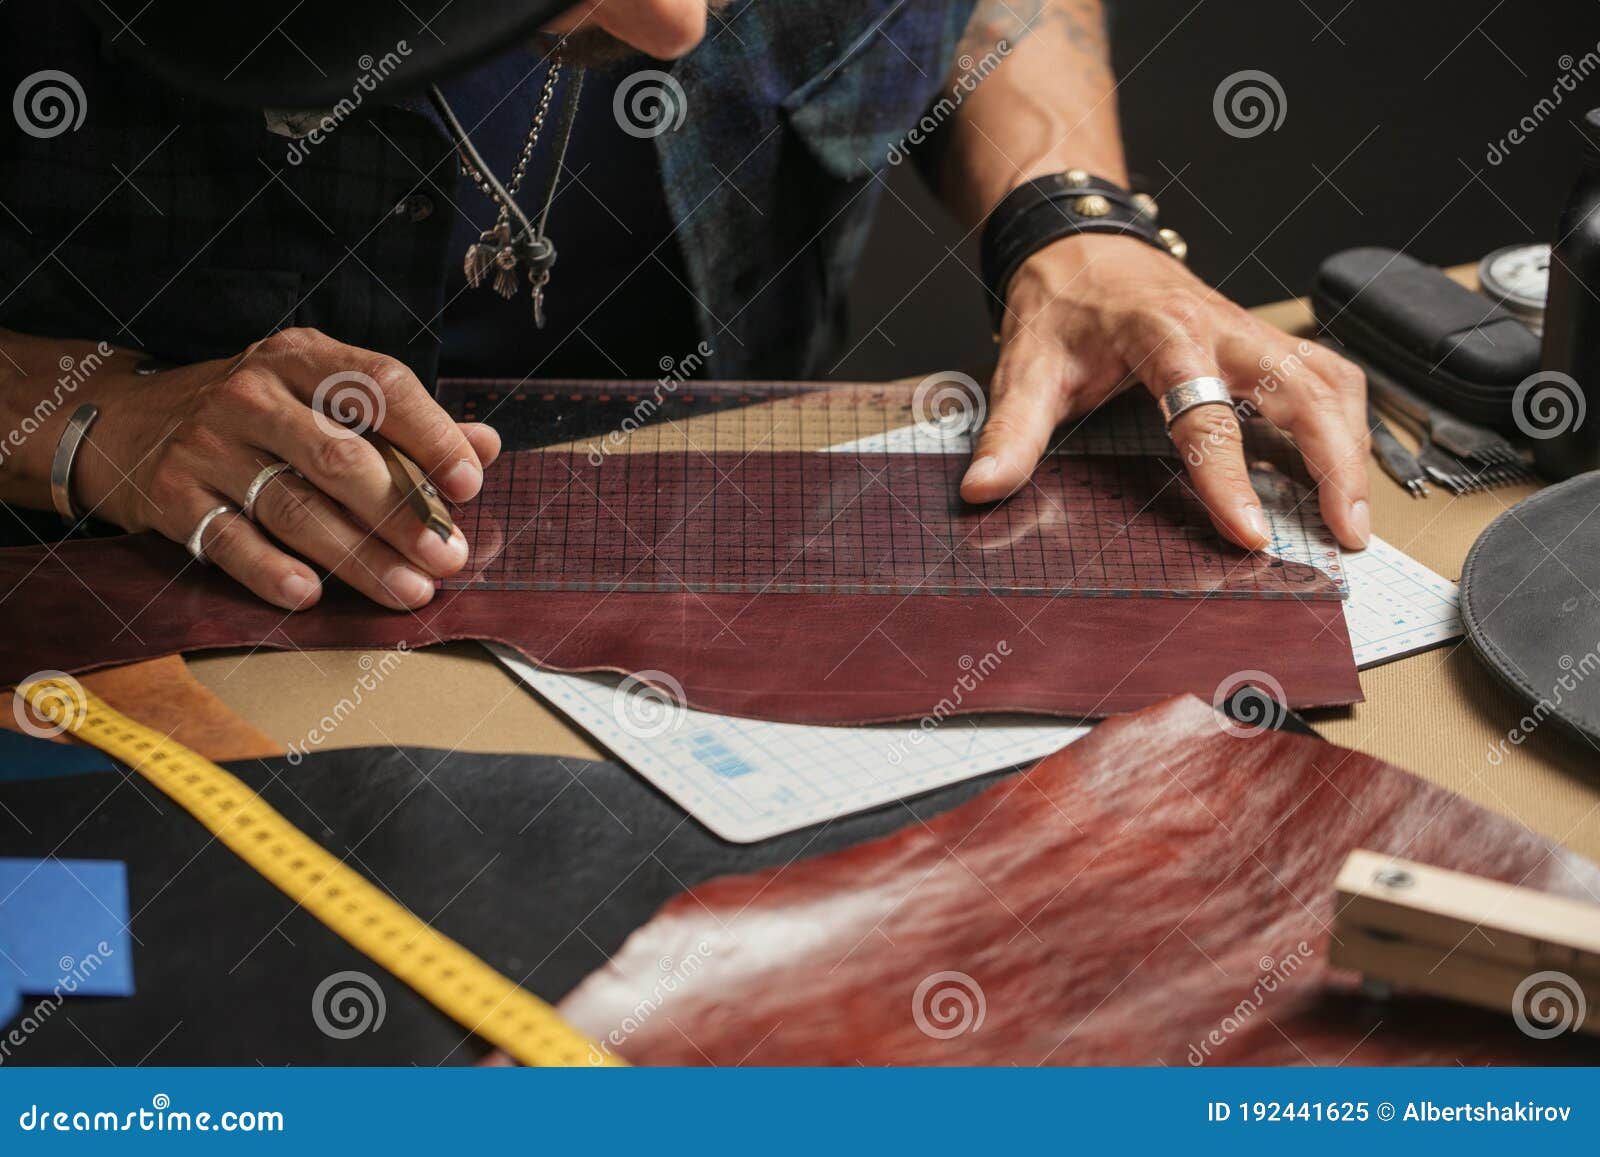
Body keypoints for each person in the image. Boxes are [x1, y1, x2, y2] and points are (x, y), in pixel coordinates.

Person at [0, 0, 1370, 612]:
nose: (675, 24)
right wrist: (85, 418)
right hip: (144, 614)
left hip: (730, 562)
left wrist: (1070, 213)